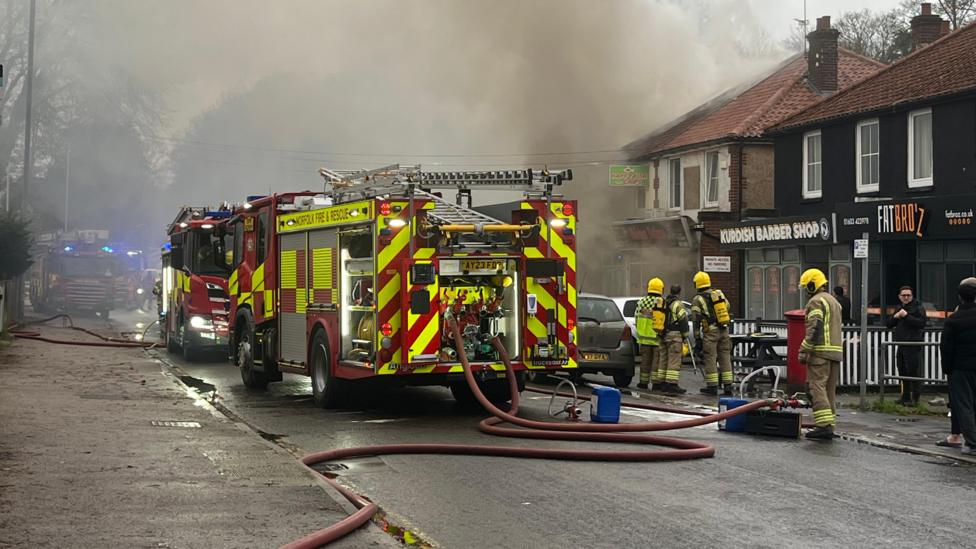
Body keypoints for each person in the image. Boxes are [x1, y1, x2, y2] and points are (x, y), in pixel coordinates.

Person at [798, 268, 844, 441]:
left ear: (812, 285)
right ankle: (829, 425)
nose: (805, 291)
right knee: (829, 391)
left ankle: (823, 426)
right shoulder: (834, 301)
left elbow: (815, 328)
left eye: (805, 287)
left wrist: (804, 350)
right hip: (835, 353)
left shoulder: (815, 302)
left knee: (817, 388)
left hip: (820, 353)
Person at [940, 277, 976, 456]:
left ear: (960, 298)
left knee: (964, 405)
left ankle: (972, 442)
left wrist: (947, 369)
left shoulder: (953, 320)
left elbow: (946, 347)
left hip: (960, 368)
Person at [691, 272, 733, 396]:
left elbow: (695, 320)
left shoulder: (697, 299)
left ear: (697, 284)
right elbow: (728, 307)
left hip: (710, 332)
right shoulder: (718, 294)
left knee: (710, 358)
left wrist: (697, 339)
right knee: (725, 357)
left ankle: (712, 386)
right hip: (723, 330)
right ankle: (728, 386)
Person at [886, 285, 927, 406]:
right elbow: (889, 324)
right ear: (899, 297)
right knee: (903, 370)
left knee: (914, 371)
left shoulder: (918, 307)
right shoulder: (899, 308)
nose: (906, 297)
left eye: (908, 295)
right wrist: (896, 316)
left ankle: (915, 398)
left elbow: (921, 323)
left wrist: (906, 316)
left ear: (912, 296)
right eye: (904, 295)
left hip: (913, 343)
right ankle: (905, 397)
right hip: (902, 344)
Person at [634, 277, 666, 391]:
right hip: (657, 338)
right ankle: (656, 384)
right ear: (661, 289)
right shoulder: (662, 302)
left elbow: (636, 318)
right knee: (656, 363)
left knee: (645, 362)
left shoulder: (641, 302)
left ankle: (643, 382)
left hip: (644, 339)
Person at [660, 285, 688, 396]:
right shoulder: (678, 304)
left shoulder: (664, 302)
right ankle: (672, 385)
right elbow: (683, 319)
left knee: (664, 359)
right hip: (674, 335)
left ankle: (661, 383)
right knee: (674, 359)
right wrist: (685, 334)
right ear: (679, 292)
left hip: (663, 335)